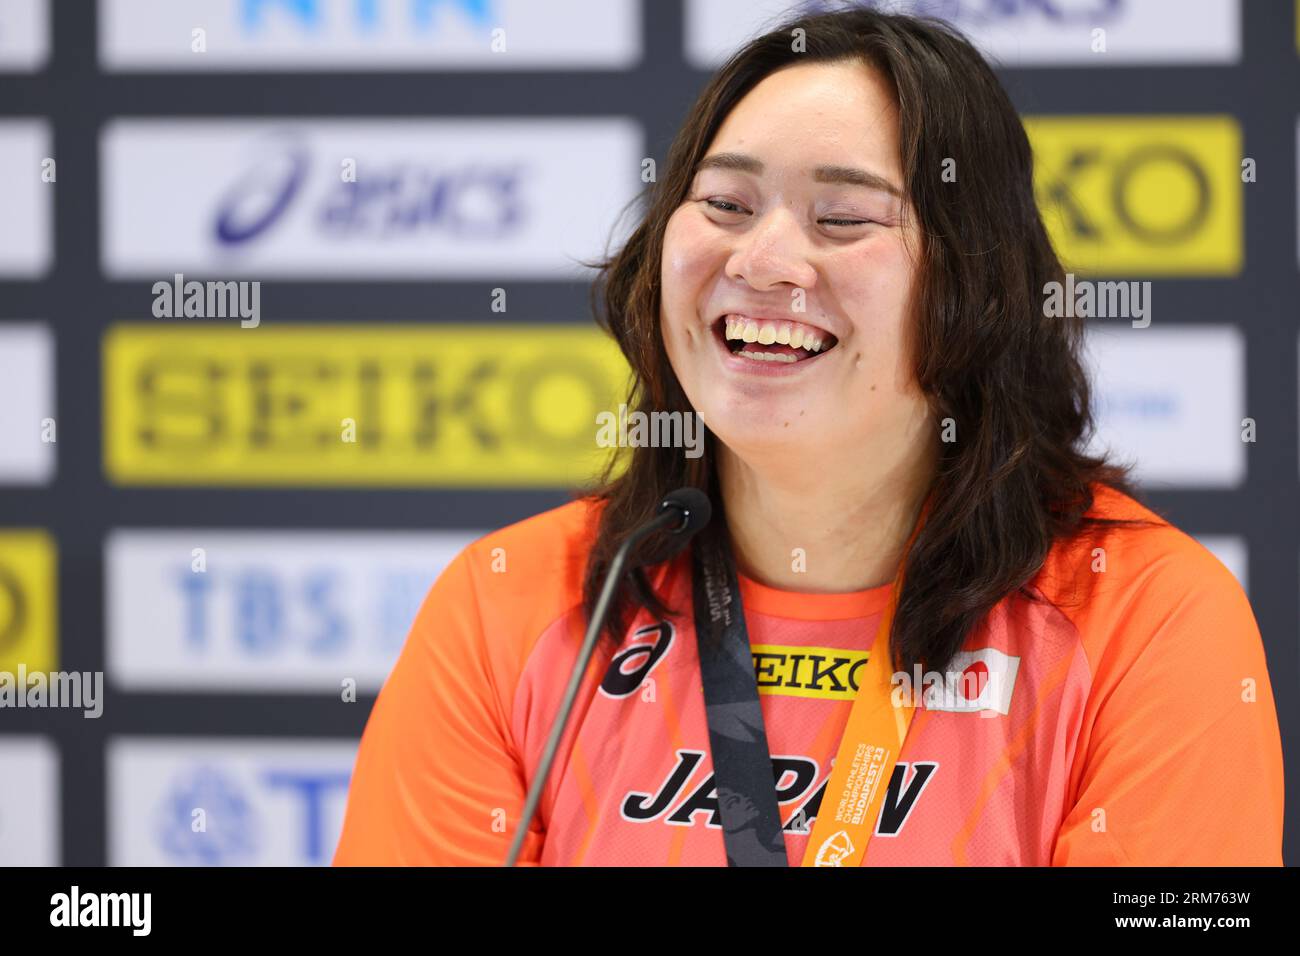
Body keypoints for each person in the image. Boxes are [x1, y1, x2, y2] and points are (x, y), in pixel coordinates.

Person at [332, 8, 1284, 866]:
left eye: (843, 218)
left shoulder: (1150, 622)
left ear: (978, 290)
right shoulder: (512, 604)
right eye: (725, 204)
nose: (764, 261)